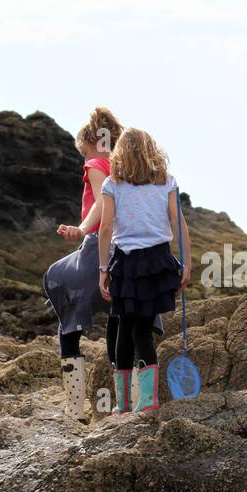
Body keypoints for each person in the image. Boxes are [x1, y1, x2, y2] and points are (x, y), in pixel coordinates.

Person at [98, 129, 191, 413]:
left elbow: (104, 229)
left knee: (124, 329)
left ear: (119, 154)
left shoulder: (112, 184)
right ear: (152, 151)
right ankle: (148, 400)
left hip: (126, 263)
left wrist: (103, 269)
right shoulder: (167, 182)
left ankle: (124, 403)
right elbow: (179, 224)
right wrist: (186, 262)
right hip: (158, 262)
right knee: (143, 331)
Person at [42, 106, 123, 422]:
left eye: (82, 152)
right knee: (119, 319)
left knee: (67, 310)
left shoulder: (95, 163)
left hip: (98, 245)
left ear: (89, 145)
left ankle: (75, 409)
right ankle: (123, 402)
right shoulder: (124, 165)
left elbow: (102, 204)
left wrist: (81, 227)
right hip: (126, 248)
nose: (83, 159)